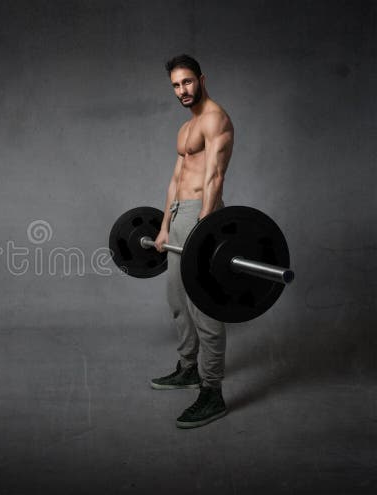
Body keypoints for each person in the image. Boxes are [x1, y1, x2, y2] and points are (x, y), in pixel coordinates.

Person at [151, 54, 234, 428]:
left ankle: (212, 391)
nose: (181, 90)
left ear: (201, 78)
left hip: (204, 212)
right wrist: (165, 225)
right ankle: (188, 369)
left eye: (186, 82)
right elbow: (176, 178)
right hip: (179, 216)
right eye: (175, 85)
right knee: (177, 298)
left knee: (205, 305)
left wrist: (205, 225)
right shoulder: (186, 129)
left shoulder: (215, 118)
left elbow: (214, 176)